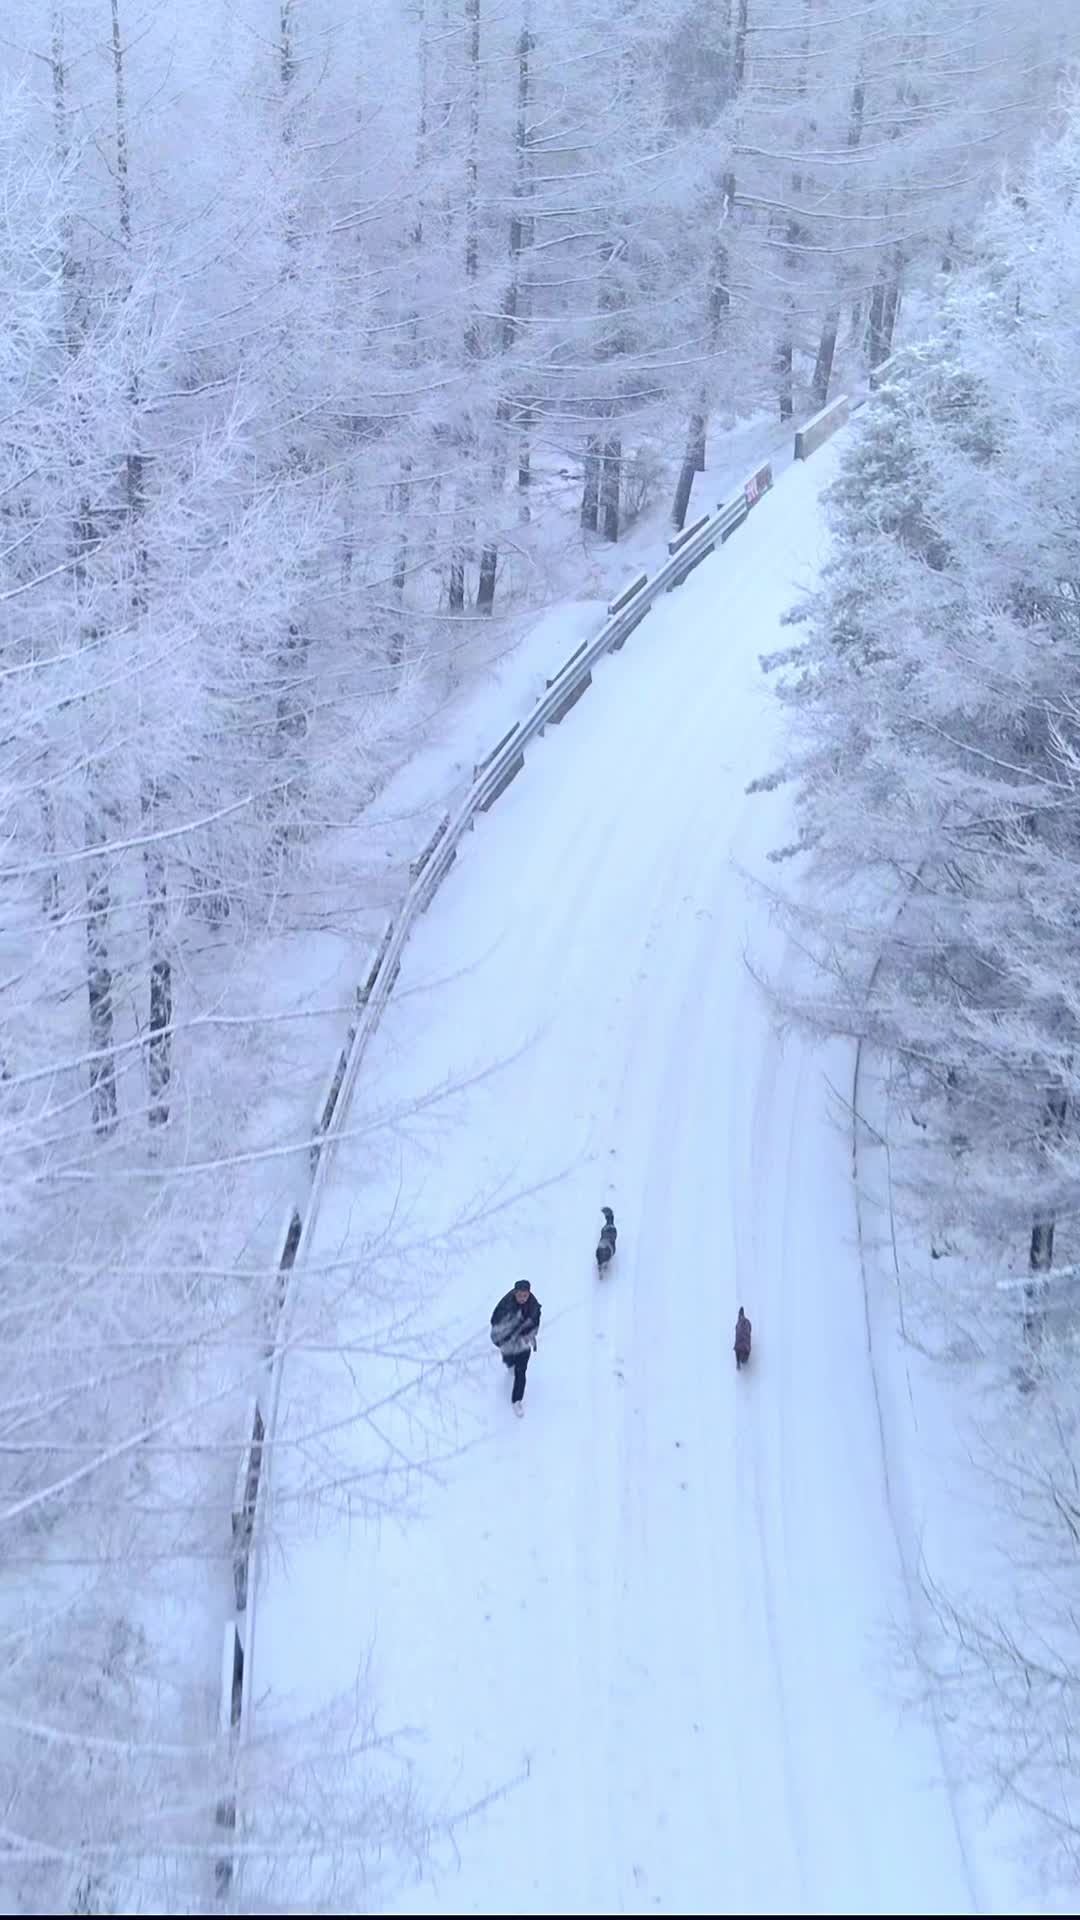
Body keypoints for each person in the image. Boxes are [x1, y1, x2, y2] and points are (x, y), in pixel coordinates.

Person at [490, 1279, 542, 1415]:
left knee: (521, 1371)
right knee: (509, 1360)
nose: (522, 1298)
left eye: (525, 1295)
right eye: (520, 1295)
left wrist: (530, 1334)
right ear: (514, 1293)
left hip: (523, 1341)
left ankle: (517, 1400)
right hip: (507, 1340)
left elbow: (536, 1321)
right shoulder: (505, 1305)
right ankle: (510, 1364)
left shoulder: (534, 1305)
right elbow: (494, 1320)